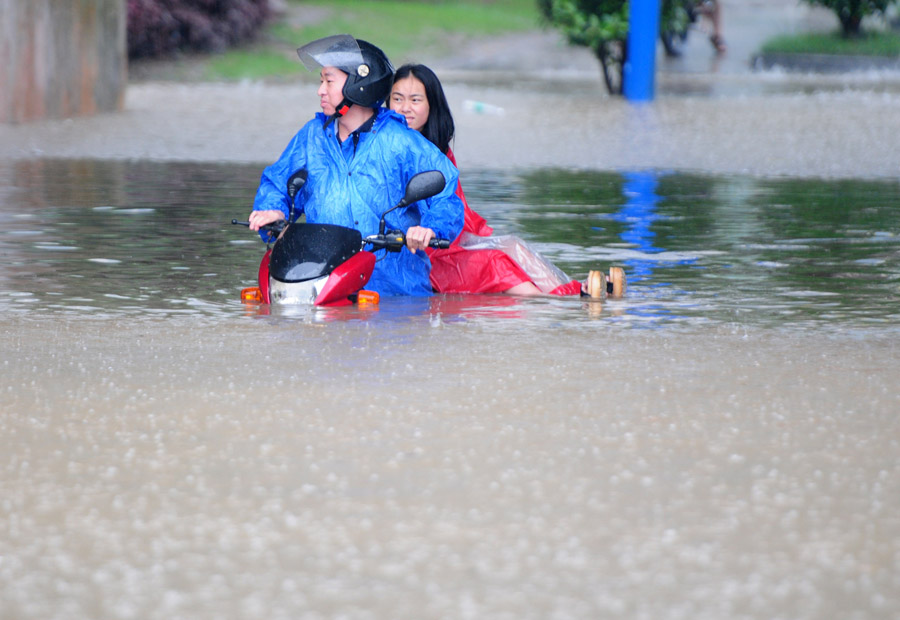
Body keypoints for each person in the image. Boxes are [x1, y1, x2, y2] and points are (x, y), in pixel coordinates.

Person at [248, 35, 464, 297]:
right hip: (321, 284)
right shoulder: (311, 137)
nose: (320, 90)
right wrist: (273, 211)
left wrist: (429, 228)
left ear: (359, 84)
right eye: (321, 81)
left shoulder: (402, 141)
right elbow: (277, 183)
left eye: (329, 81)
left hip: (394, 293)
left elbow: (446, 198)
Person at [389, 64, 618, 298]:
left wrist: (438, 228)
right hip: (415, 249)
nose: (405, 108)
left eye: (415, 100)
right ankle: (559, 300)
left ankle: (571, 290)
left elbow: (450, 204)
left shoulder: (438, 151)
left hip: (443, 235)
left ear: (431, 106)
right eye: (397, 99)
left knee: (512, 245)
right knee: (495, 262)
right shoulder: (385, 147)